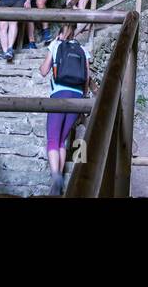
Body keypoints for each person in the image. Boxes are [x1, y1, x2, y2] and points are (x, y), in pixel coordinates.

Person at [40, 24, 91, 195]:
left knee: (53, 139)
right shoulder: (82, 49)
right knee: (62, 139)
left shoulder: (55, 45)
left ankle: (56, 175)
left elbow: (43, 71)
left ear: (60, 32)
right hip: (76, 97)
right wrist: (83, 97)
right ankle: (60, 181)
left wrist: (52, 47)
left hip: (59, 93)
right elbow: (87, 76)